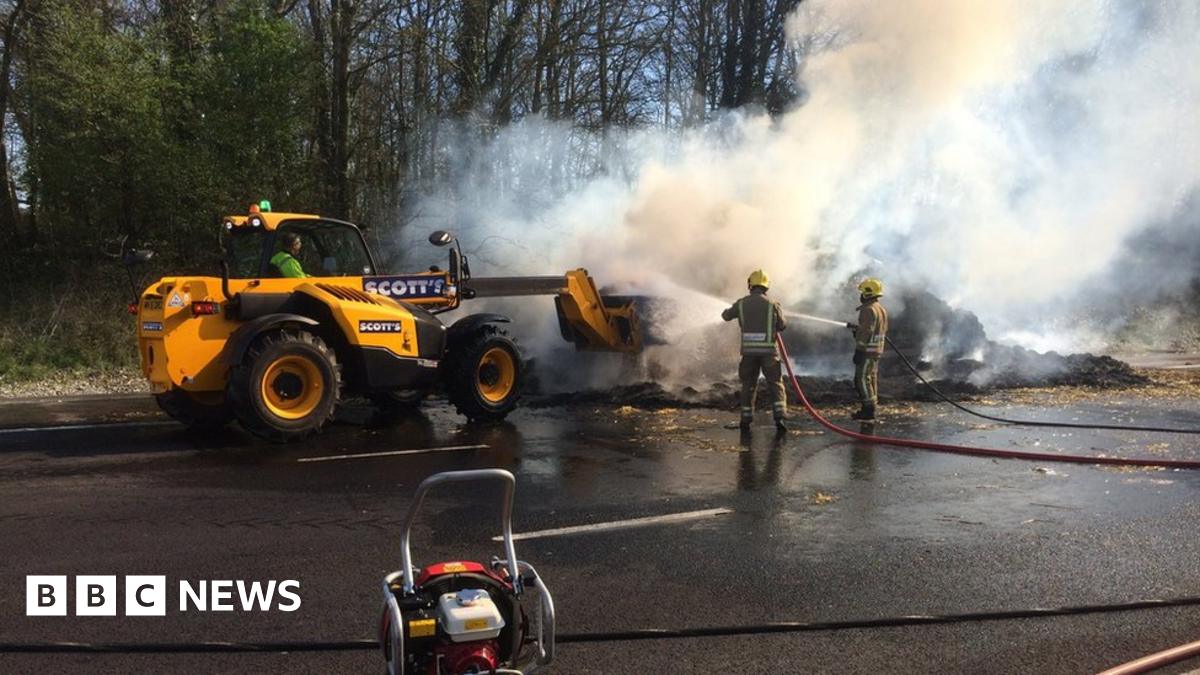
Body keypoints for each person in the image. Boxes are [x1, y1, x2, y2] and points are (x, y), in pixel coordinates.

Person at [722, 269, 788, 432]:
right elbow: (782, 326)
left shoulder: (741, 303)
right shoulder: (773, 304)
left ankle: (745, 420)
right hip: (769, 354)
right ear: (766, 286)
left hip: (749, 354)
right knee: (775, 384)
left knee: (748, 385)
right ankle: (779, 419)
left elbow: (726, 316)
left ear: (750, 285)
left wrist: (728, 310)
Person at [845, 278, 888, 421]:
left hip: (867, 351)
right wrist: (858, 331)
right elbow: (872, 330)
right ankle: (871, 407)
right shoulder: (880, 309)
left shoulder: (868, 310)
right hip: (876, 350)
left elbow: (867, 332)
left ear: (868, 294)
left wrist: (860, 349)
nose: (860, 296)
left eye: (862, 293)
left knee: (861, 379)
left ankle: (868, 410)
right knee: (870, 379)